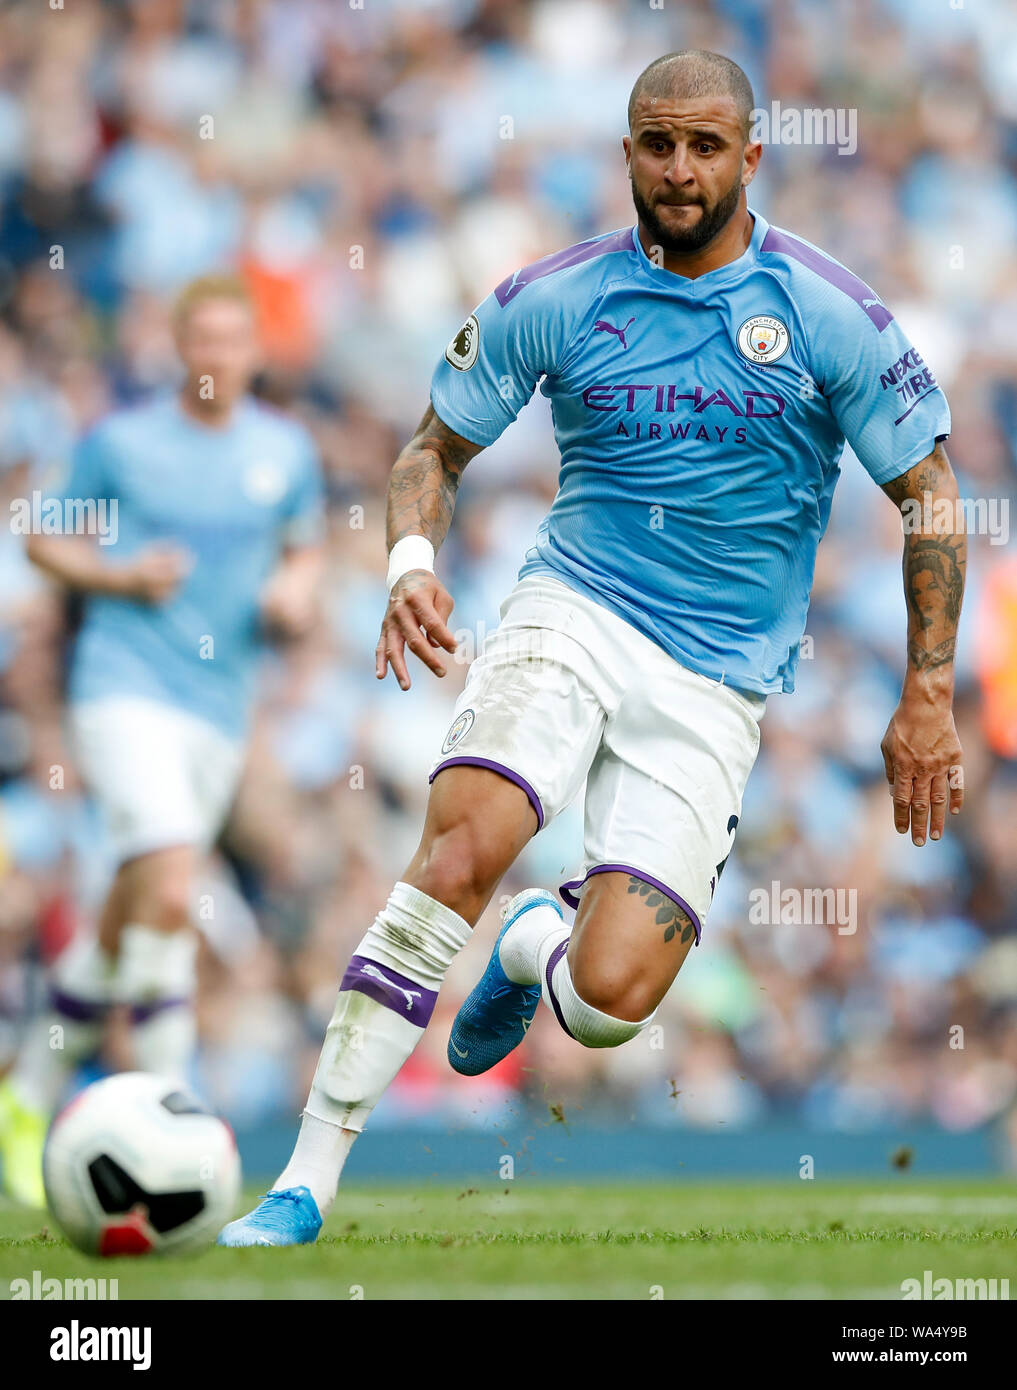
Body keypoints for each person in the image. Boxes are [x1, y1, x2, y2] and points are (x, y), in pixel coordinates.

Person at [220, 50, 965, 1247]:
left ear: (751, 158)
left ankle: (533, 942)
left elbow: (931, 490)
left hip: (720, 675)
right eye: (657, 145)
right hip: (577, 605)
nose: (679, 170)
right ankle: (305, 1178)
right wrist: (412, 568)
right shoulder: (557, 295)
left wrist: (929, 687)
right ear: (625, 151)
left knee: (611, 1004)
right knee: (464, 838)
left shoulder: (827, 313)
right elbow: (432, 448)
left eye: (705, 147)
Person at [0, 275, 325, 1207]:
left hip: (219, 711)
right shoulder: (123, 444)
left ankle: (27, 1092)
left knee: (135, 901)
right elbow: (41, 537)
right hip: (122, 688)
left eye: (234, 340)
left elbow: (302, 547)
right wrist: (117, 577)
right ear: (178, 349)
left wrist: (296, 591)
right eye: (203, 340)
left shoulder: (284, 454)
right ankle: (168, 1110)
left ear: (254, 351)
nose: (217, 357)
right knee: (175, 881)